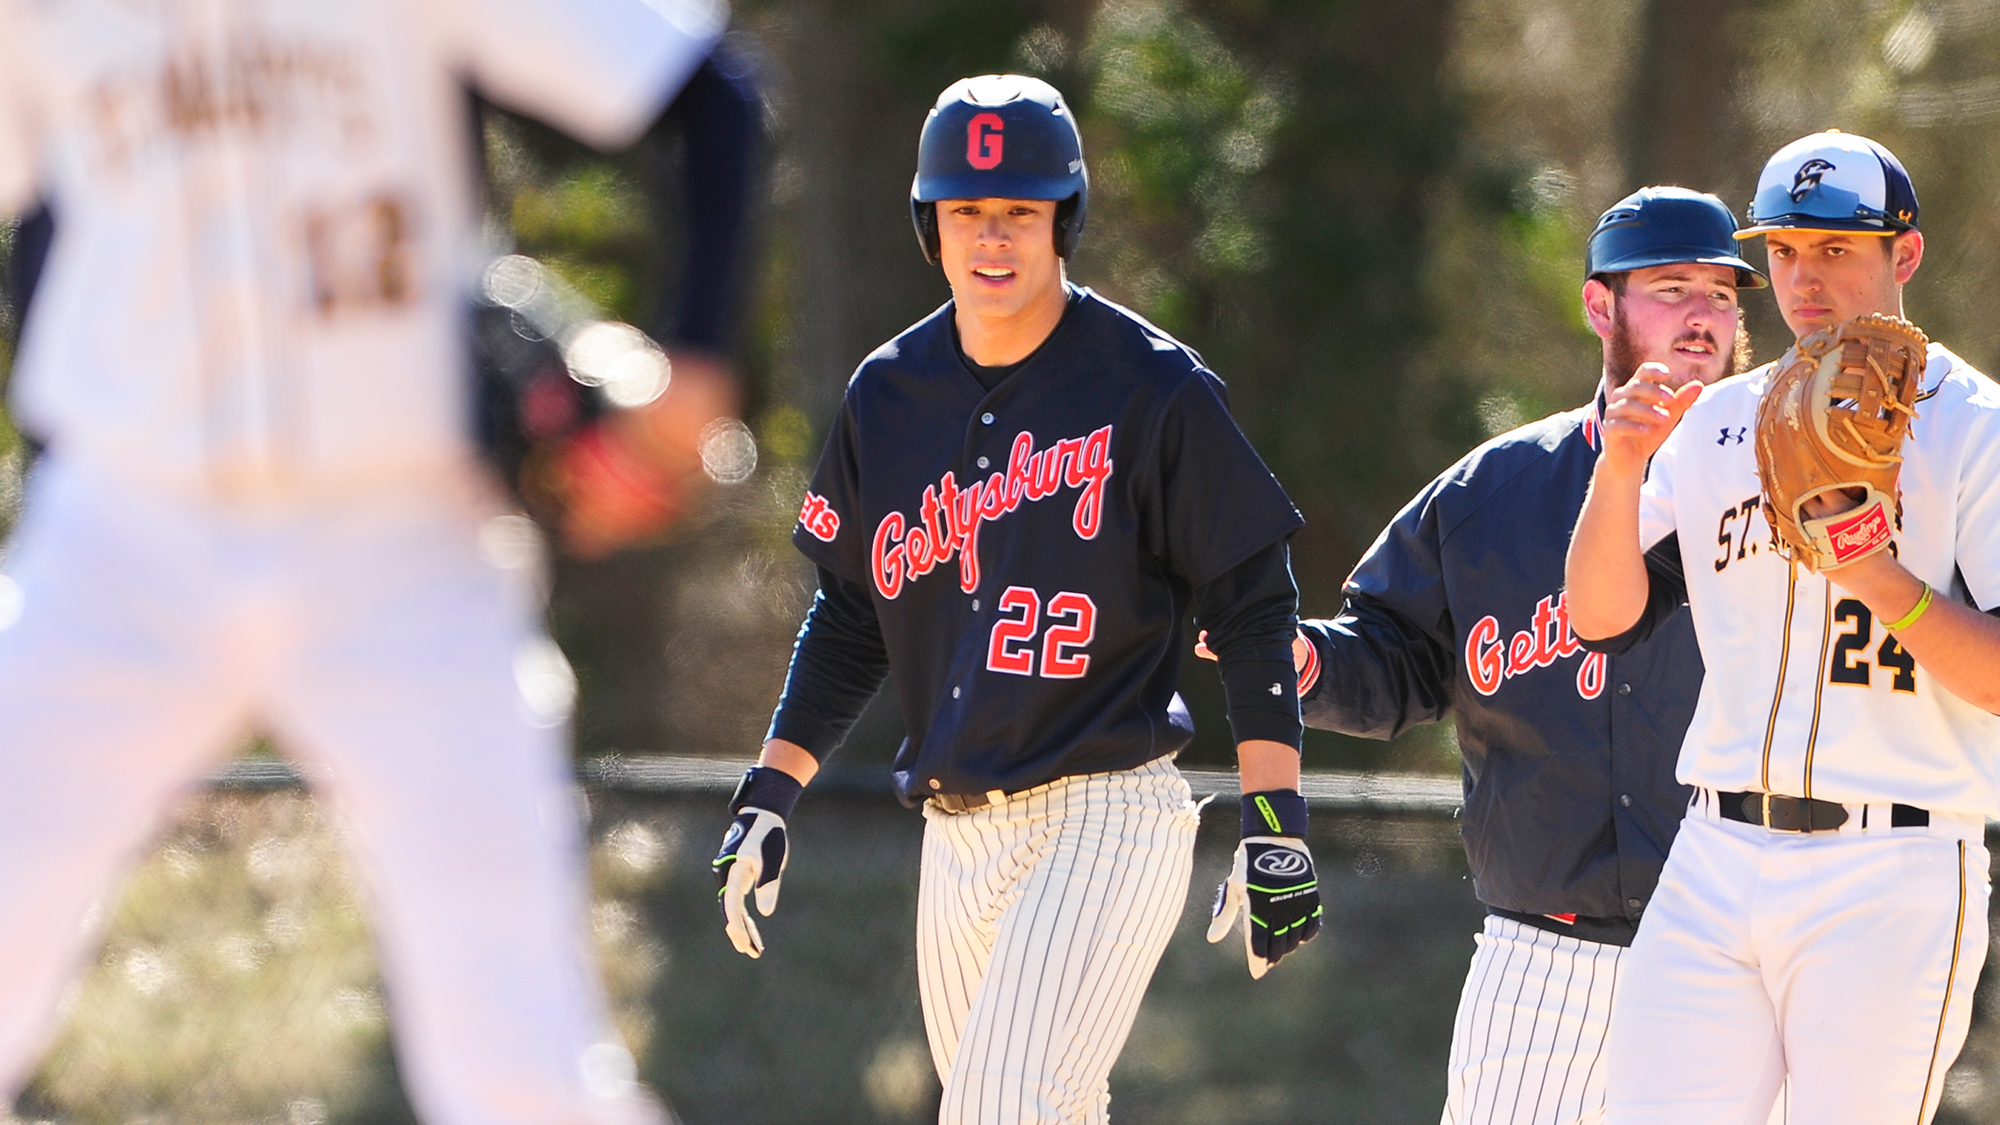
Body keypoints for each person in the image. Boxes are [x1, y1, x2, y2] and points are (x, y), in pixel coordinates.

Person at [0, 2, 755, 1121]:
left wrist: (693, 362)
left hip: (400, 537)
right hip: (121, 529)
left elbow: (701, 90)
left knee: (520, 1065)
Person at [710, 74, 1318, 1124]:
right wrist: (770, 790)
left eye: (1019, 212)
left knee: (1003, 1107)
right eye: (966, 211)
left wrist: (1277, 817)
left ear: (1062, 222)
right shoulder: (886, 394)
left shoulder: (1152, 385)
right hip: (953, 833)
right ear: (930, 226)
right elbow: (850, 614)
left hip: (1104, 809)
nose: (991, 237)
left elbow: (1253, 600)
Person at [1217, 187, 1760, 1125]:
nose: (1703, 316)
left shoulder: (1781, 480)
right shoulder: (1493, 493)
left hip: (1731, 951)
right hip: (1543, 963)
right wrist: (1303, 661)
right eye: (1672, 288)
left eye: (1721, 293)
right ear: (1600, 306)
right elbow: (1396, 657)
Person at [1568, 130, 2000, 1125]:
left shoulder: (1975, 426)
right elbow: (1597, 615)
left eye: (1835, 248)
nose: (1804, 278)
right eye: (1785, 249)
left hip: (1889, 866)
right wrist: (1619, 467)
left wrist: (1873, 573)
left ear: (1904, 253)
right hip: (1712, 853)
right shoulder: (1720, 418)